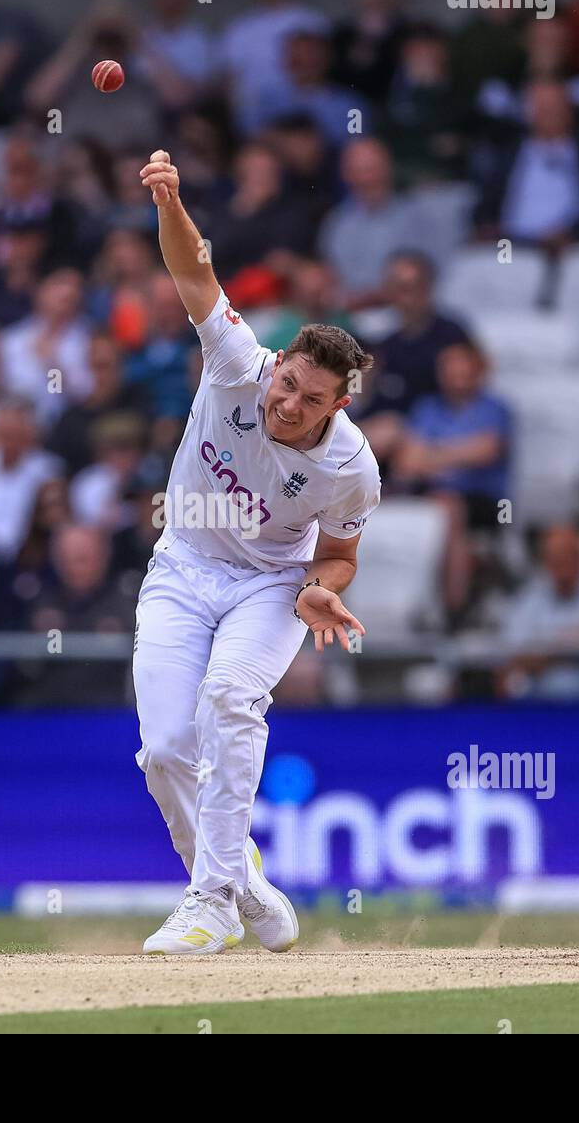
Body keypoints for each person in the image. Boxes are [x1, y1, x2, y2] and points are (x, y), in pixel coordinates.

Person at [133, 149, 380, 955]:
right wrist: (170, 200)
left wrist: (320, 585)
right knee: (165, 748)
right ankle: (242, 878)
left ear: (339, 404)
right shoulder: (239, 361)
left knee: (230, 702)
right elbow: (195, 273)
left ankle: (208, 901)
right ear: (278, 366)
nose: (290, 405)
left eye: (313, 400)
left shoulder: (351, 467)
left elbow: (338, 555)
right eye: (289, 386)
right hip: (181, 567)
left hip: (270, 583)